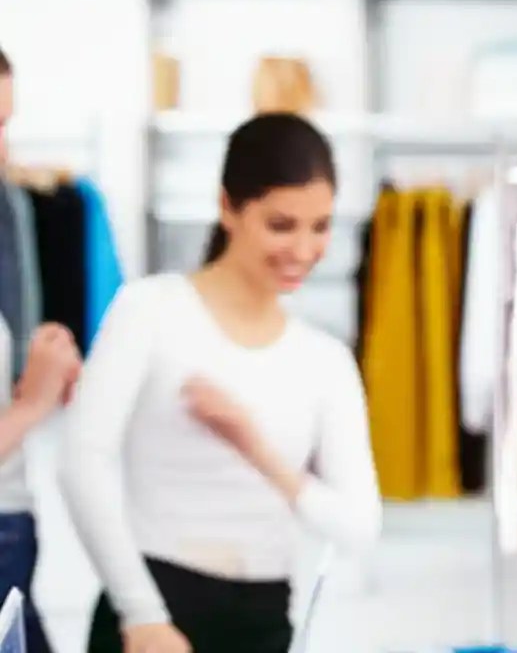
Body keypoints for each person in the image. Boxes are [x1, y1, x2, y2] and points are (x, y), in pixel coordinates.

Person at [60, 113, 382, 653]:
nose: (303, 249)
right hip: (150, 606)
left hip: (263, 619)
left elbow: (359, 527)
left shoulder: (323, 361)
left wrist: (255, 448)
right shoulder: (151, 311)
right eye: (281, 225)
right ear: (228, 206)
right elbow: (80, 461)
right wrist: (141, 614)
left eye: (320, 226)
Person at [0, 44, 85, 653]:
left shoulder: (8, 206)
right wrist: (34, 401)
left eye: (4, 124)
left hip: (14, 508)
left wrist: (45, 365)